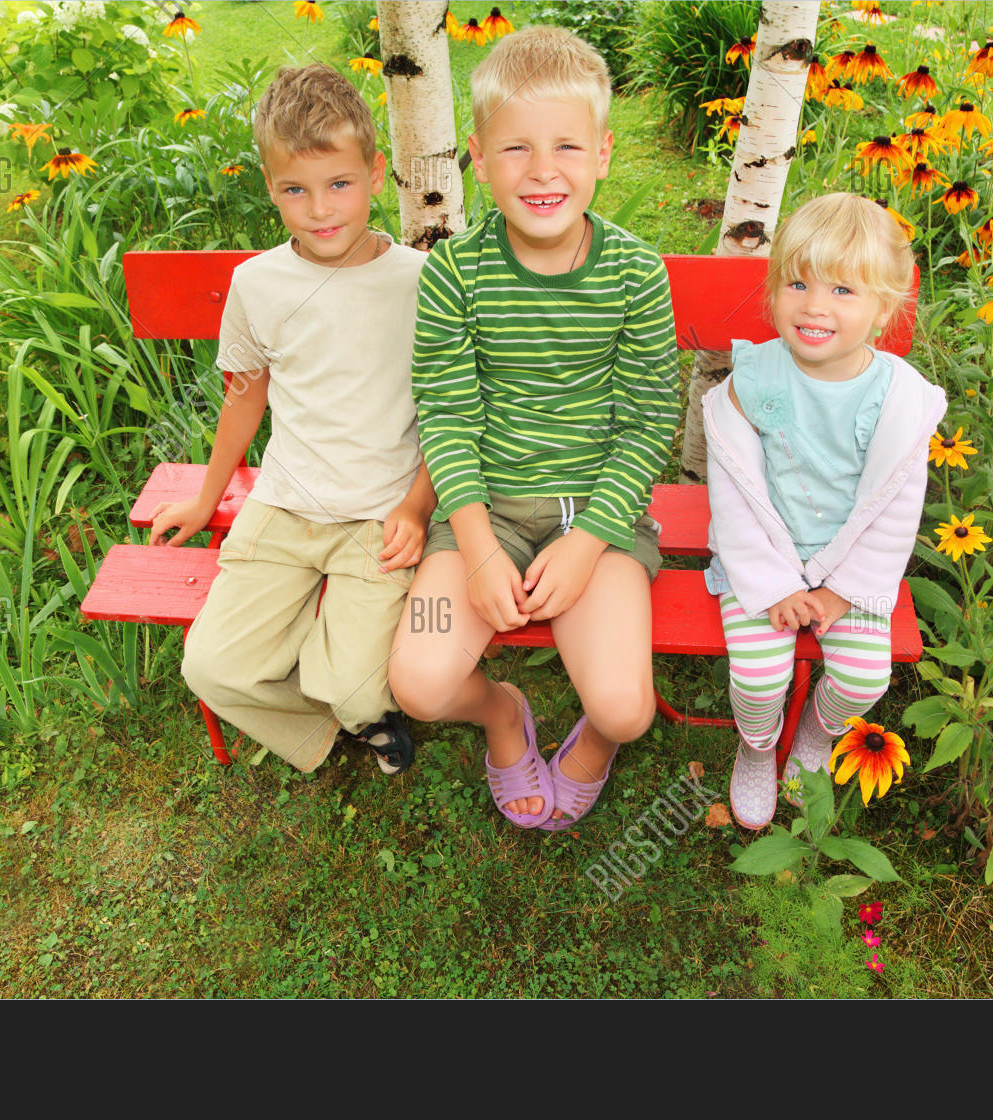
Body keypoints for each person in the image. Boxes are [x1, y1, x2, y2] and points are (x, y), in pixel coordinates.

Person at [388, 26, 680, 830]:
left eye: (566, 146)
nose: (543, 170)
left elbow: (650, 417)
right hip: (479, 515)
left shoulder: (634, 271)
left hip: (603, 519)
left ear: (604, 154)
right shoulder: (454, 273)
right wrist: (477, 550)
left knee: (626, 707)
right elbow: (446, 412)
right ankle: (503, 713)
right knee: (418, 677)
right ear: (477, 160)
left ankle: (592, 747)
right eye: (515, 148)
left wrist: (589, 540)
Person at [151, 64, 434, 776]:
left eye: (338, 183)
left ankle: (351, 698)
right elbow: (244, 395)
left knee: (353, 687)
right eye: (294, 191)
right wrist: (208, 497)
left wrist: (417, 503)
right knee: (212, 669)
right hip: (284, 502)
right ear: (269, 188)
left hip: (379, 514)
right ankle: (325, 726)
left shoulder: (420, 281)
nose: (319, 209)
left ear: (375, 174)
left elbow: (452, 411)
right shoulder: (257, 283)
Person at [703, 192, 947, 829]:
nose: (814, 305)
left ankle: (812, 738)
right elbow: (734, 492)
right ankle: (757, 747)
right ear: (773, 289)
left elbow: (894, 511)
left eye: (844, 290)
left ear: (884, 307)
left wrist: (841, 591)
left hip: (852, 571)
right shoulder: (754, 379)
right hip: (764, 556)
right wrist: (774, 582)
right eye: (798, 282)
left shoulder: (897, 399)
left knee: (865, 678)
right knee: (759, 677)